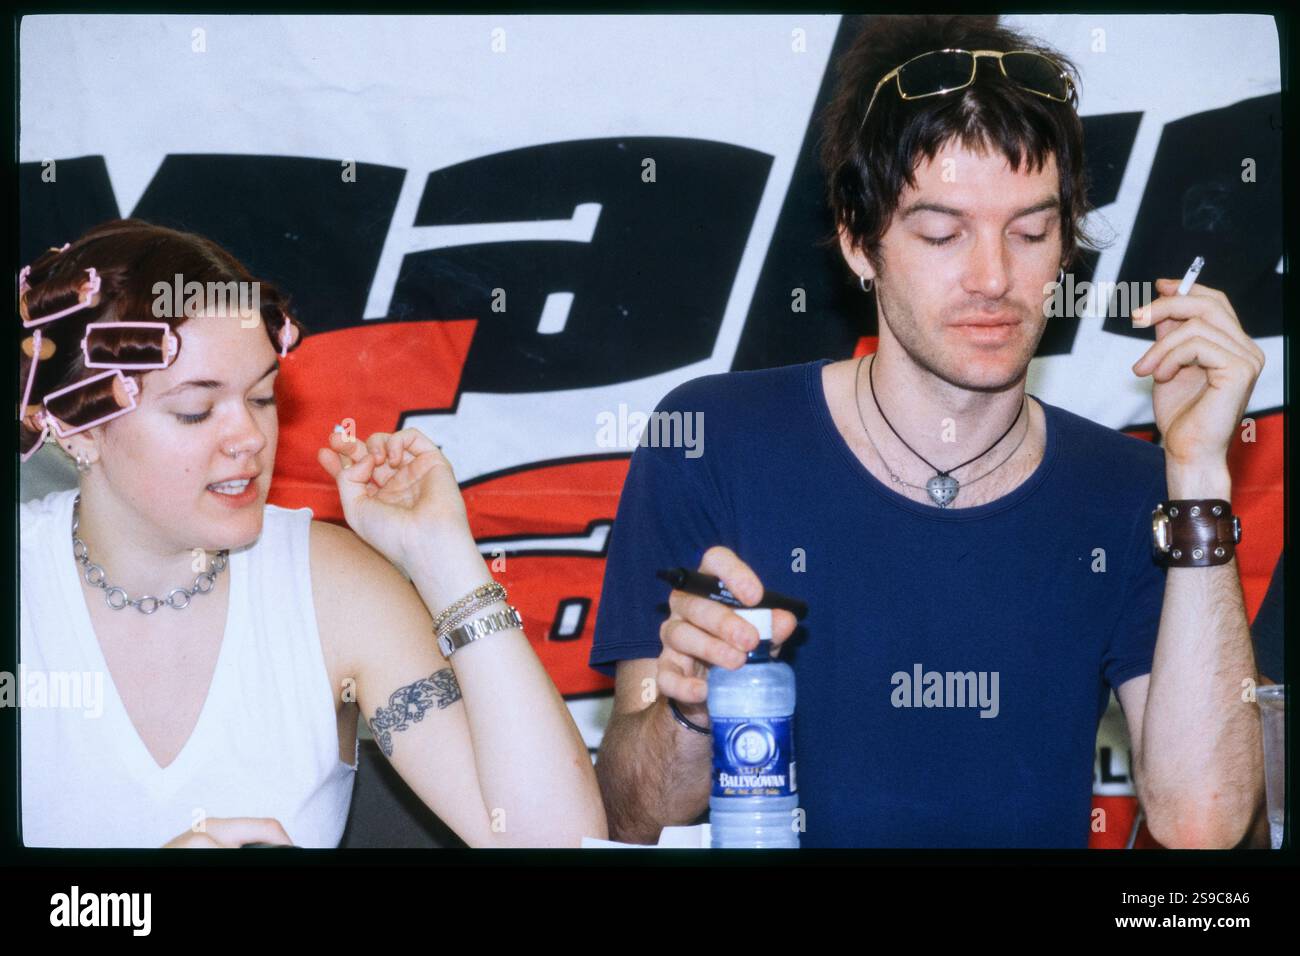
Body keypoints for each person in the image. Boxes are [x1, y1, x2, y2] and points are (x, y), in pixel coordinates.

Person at [590, 15, 1265, 848]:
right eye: (942, 233)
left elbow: (1204, 825)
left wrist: (1197, 475)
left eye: (1030, 231)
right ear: (857, 242)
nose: (993, 278)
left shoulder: (1127, 489)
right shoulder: (712, 440)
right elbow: (634, 813)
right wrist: (692, 711)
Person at [19, 218, 606, 848]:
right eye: (195, 408)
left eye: (263, 397)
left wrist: (443, 557)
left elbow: (558, 845)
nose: (248, 438)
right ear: (76, 429)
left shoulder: (331, 587)